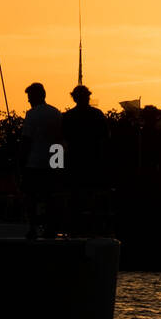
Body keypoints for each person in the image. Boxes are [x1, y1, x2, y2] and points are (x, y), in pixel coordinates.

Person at [59, 84, 111, 235]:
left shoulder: (68, 117)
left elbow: (61, 143)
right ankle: (92, 230)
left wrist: (57, 166)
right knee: (91, 199)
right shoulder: (96, 115)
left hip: (76, 164)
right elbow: (105, 141)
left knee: (76, 200)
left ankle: (76, 229)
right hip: (91, 164)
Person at [20, 82, 63, 240]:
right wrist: (58, 164)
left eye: (30, 97)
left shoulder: (32, 114)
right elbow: (60, 141)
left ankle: (32, 228)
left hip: (34, 162)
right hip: (52, 162)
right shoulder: (56, 113)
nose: (28, 101)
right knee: (51, 196)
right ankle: (50, 228)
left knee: (30, 196)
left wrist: (21, 162)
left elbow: (26, 140)